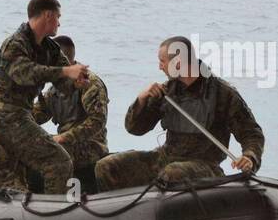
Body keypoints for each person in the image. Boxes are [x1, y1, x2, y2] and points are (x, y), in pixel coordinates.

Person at [94, 36, 265, 191]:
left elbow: (251, 134)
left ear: (178, 62)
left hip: (205, 165)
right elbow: (135, 129)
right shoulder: (168, 91)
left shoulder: (222, 94)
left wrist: (249, 157)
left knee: (172, 173)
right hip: (166, 157)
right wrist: (141, 101)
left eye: (162, 61)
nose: (159, 67)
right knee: (107, 166)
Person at [0, 0, 91, 193]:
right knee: (59, 162)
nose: (59, 23)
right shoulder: (14, 44)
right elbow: (25, 74)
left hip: (21, 117)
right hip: (6, 118)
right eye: (58, 17)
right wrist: (65, 72)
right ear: (48, 15)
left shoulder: (50, 48)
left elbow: (64, 85)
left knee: (18, 172)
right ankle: (56, 216)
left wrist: (76, 82)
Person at [30, 35, 108, 192]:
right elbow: (38, 114)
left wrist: (63, 137)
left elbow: (97, 122)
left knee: (46, 152)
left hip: (91, 146)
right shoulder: (54, 88)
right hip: (65, 144)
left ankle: (54, 199)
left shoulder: (89, 83)